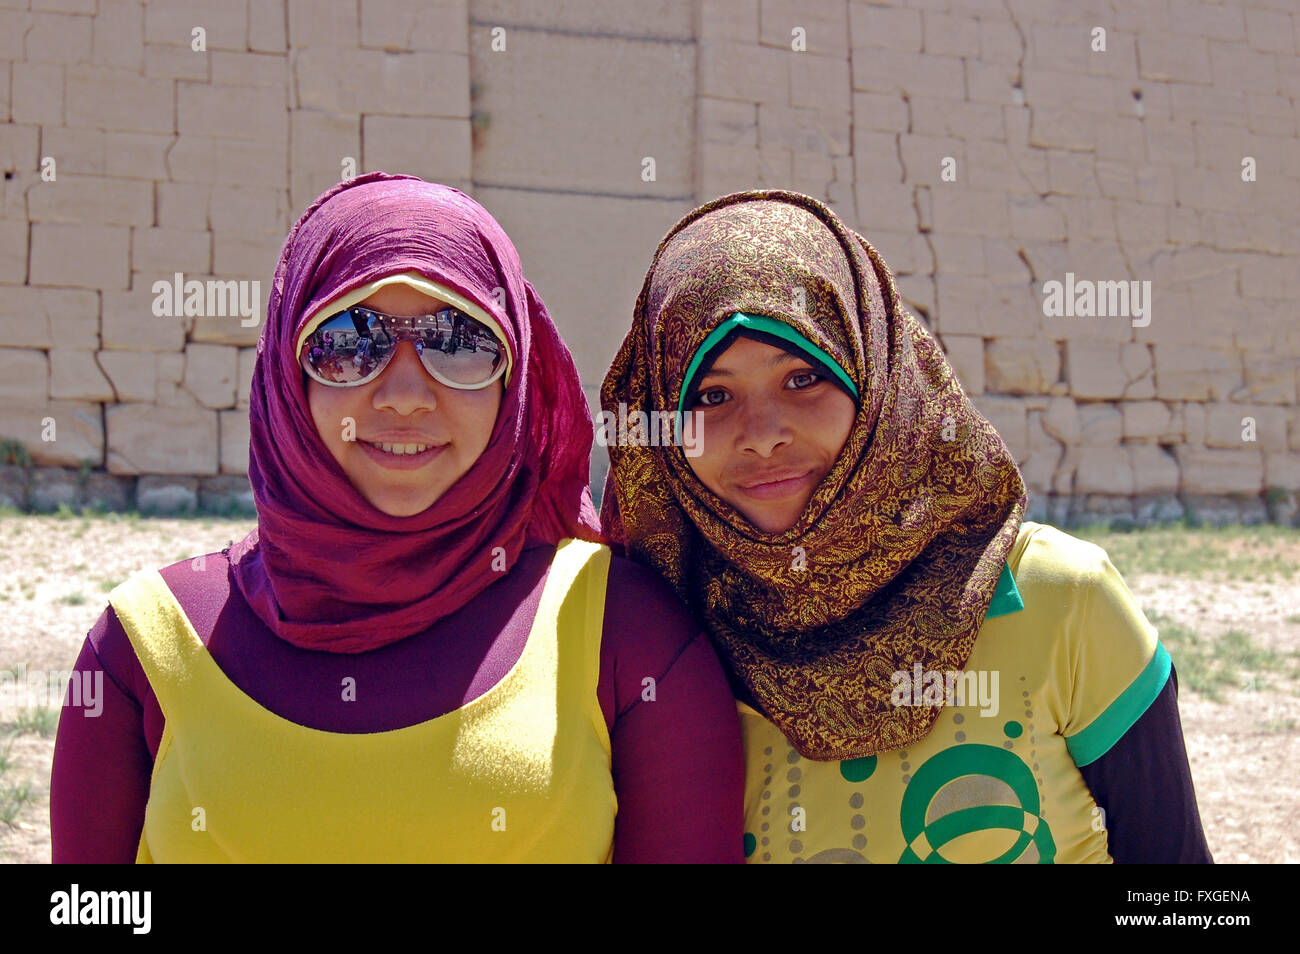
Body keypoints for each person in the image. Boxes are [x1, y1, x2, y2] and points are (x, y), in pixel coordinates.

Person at [50, 172, 743, 863]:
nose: (407, 394)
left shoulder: (621, 635)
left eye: (460, 341)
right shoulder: (144, 646)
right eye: (351, 340)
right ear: (287, 376)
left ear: (517, 377)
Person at [600, 189, 1212, 864]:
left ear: (880, 378)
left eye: (803, 377)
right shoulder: (658, 650)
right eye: (712, 396)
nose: (763, 436)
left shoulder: (1060, 602)